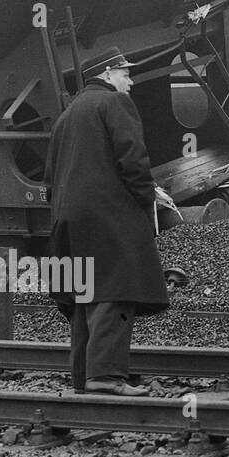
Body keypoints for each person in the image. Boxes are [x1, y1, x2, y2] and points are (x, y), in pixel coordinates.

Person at [45, 46, 171, 395]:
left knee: (83, 295)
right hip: (108, 217)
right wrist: (148, 195)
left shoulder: (66, 115)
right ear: (107, 74)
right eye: (125, 73)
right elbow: (132, 158)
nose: (130, 82)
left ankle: (84, 375)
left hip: (68, 220)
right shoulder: (114, 104)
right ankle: (106, 376)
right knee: (116, 290)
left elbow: (49, 175)